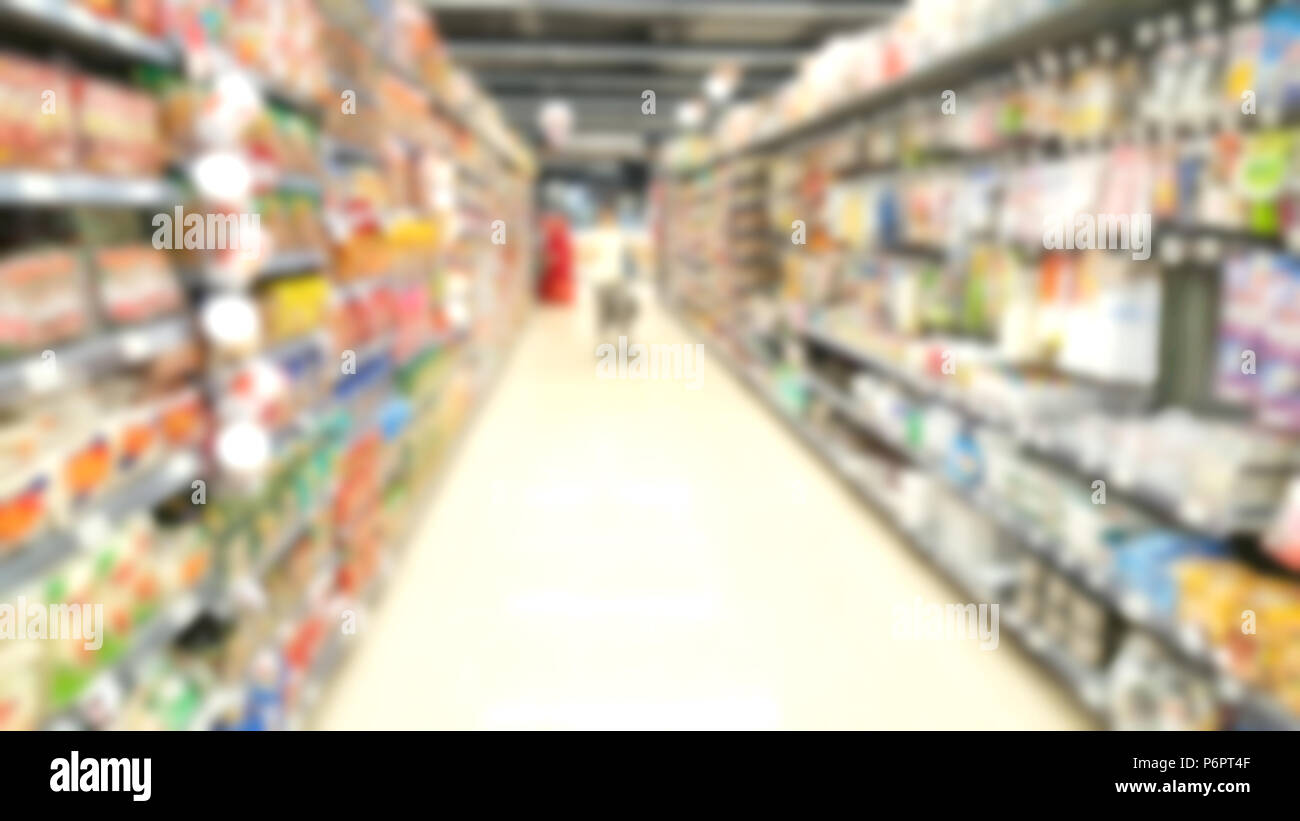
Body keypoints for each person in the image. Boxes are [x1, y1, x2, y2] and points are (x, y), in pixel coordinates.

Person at [580, 207, 637, 339]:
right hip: (599, 280)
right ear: (600, 220)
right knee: (602, 312)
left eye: (610, 218)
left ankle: (624, 340)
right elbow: (586, 256)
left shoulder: (620, 236)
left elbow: (631, 254)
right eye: (605, 218)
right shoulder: (594, 236)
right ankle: (603, 341)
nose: (608, 221)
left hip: (617, 279)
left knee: (622, 311)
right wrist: (590, 254)